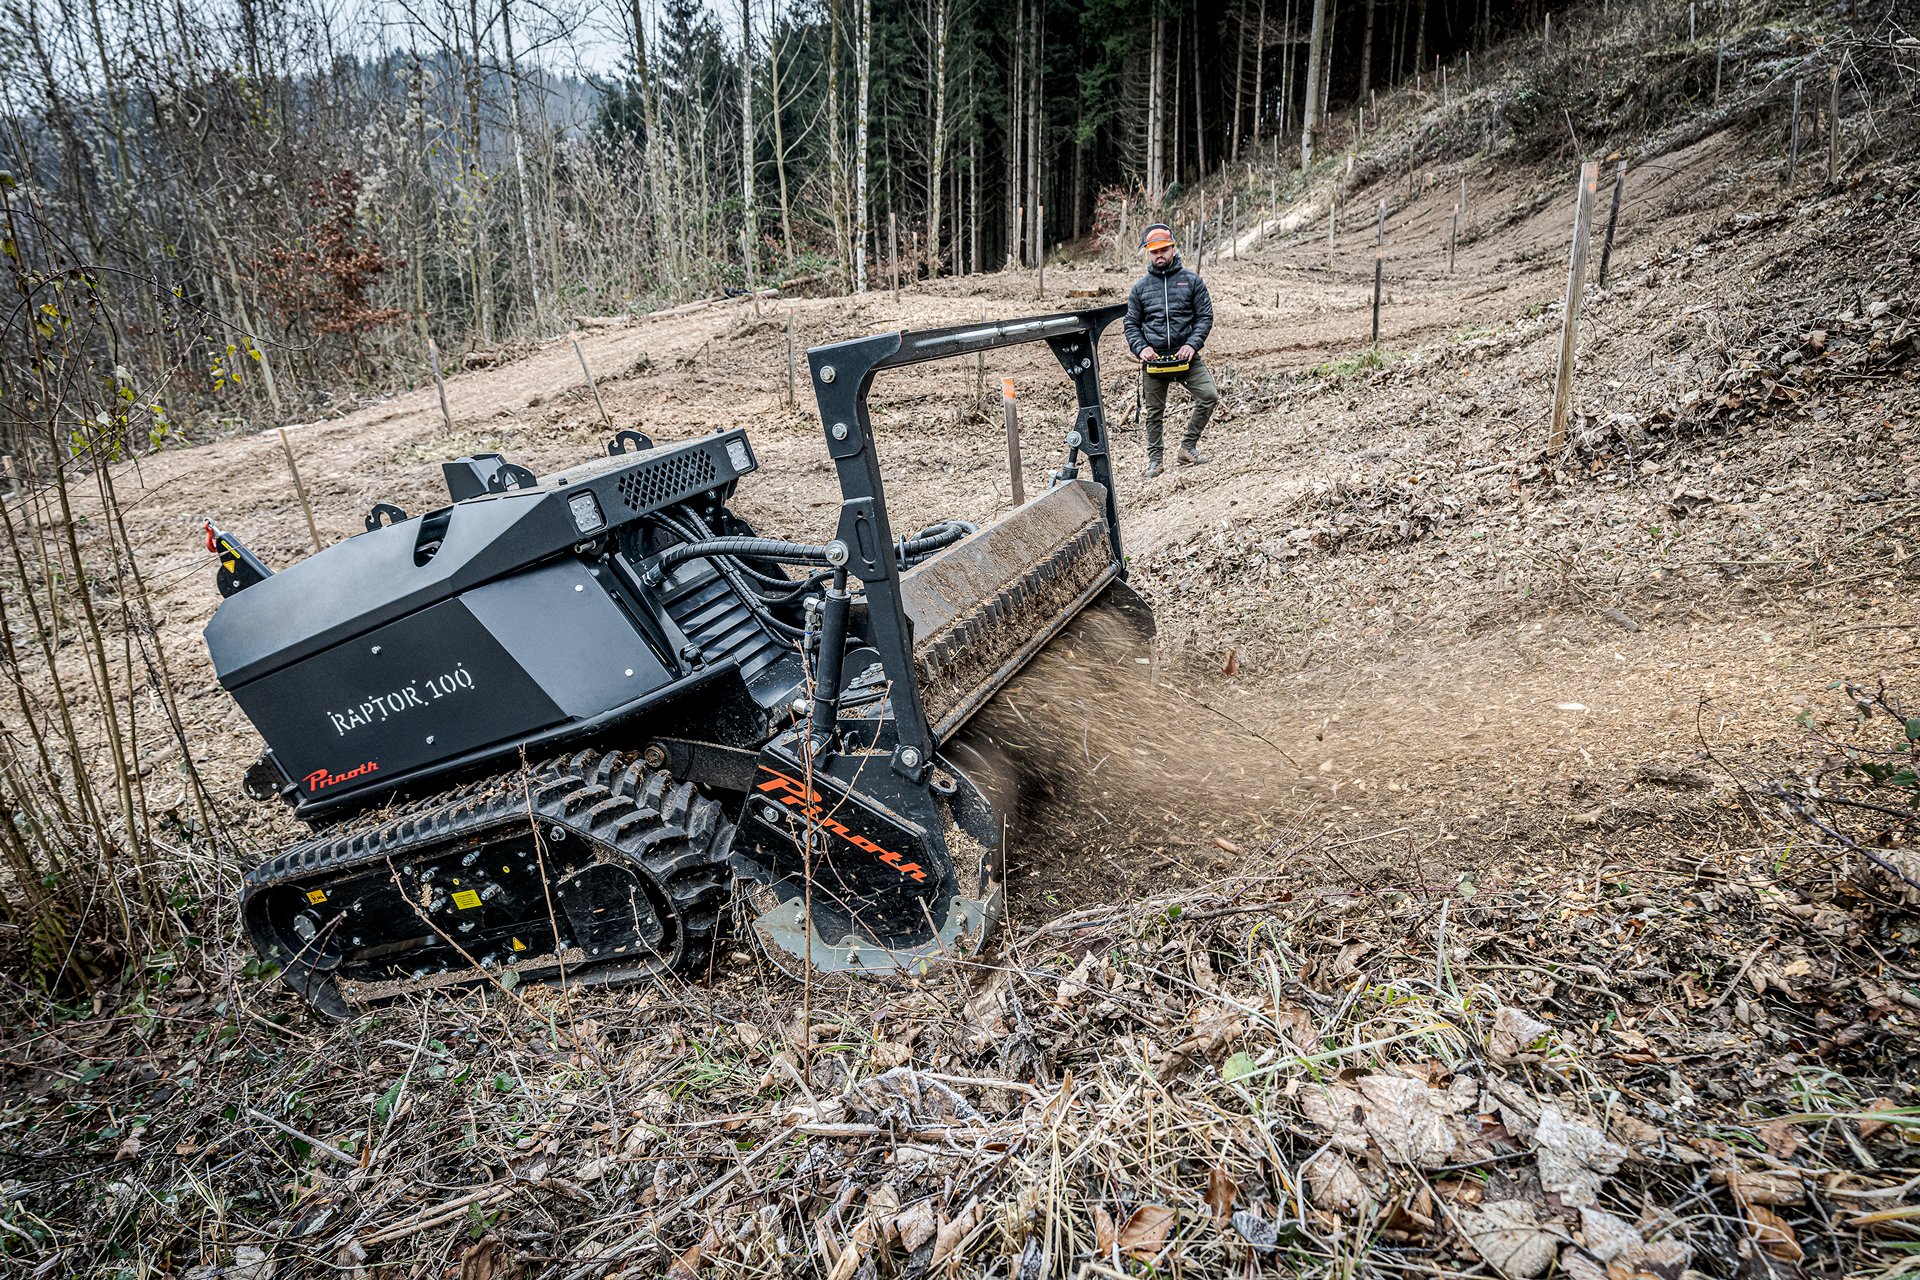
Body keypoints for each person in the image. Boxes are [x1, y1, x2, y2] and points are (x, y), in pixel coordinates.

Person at [1122, 223, 1217, 478]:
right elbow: (1130, 323)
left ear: (1173, 248)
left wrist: (1191, 344)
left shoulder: (1192, 281)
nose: (1159, 255)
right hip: (1154, 360)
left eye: (1163, 249)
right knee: (1154, 412)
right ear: (1148, 253)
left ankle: (1188, 447)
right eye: (1154, 251)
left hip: (1186, 356)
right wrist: (1141, 348)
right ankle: (1155, 460)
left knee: (1209, 395)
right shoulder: (1140, 289)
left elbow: (1205, 317)